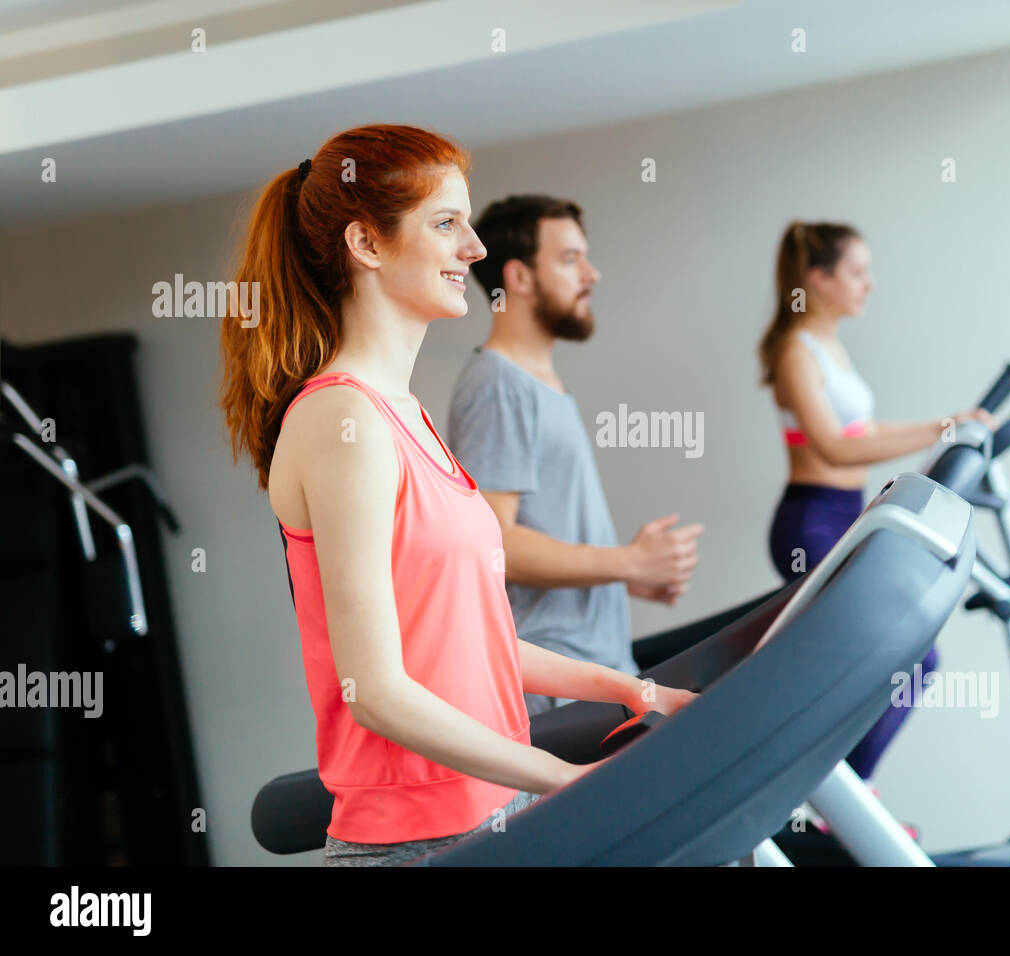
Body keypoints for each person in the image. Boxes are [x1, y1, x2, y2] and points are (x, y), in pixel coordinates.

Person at [217, 125, 694, 866]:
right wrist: (565, 776)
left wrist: (630, 691)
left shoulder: (407, 414)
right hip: (422, 844)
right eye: (446, 224)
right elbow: (372, 688)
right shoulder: (341, 420)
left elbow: (472, 641)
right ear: (367, 245)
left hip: (495, 810)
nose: (474, 250)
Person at [446, 195, 704, 717]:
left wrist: (621, 574)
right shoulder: (498, 384)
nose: (592, 273)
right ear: (518, 278)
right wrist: (625, 560)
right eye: (569, 260)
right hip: (556, 680)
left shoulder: (539, 381)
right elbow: (498, 544)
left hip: (597, 669)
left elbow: (540, 529)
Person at [760, 220, 991, 789]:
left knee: (891, 661)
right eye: (857, 273)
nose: (869, 285)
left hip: (850, 516)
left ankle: (842, 798)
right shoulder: (797, 352)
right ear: (818, 278)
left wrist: (949, 423)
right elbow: (836, 446)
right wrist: (940, 428)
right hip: (811, 521)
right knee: (905, 658)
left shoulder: (830, 346)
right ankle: (839, 799)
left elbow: (866, 427)